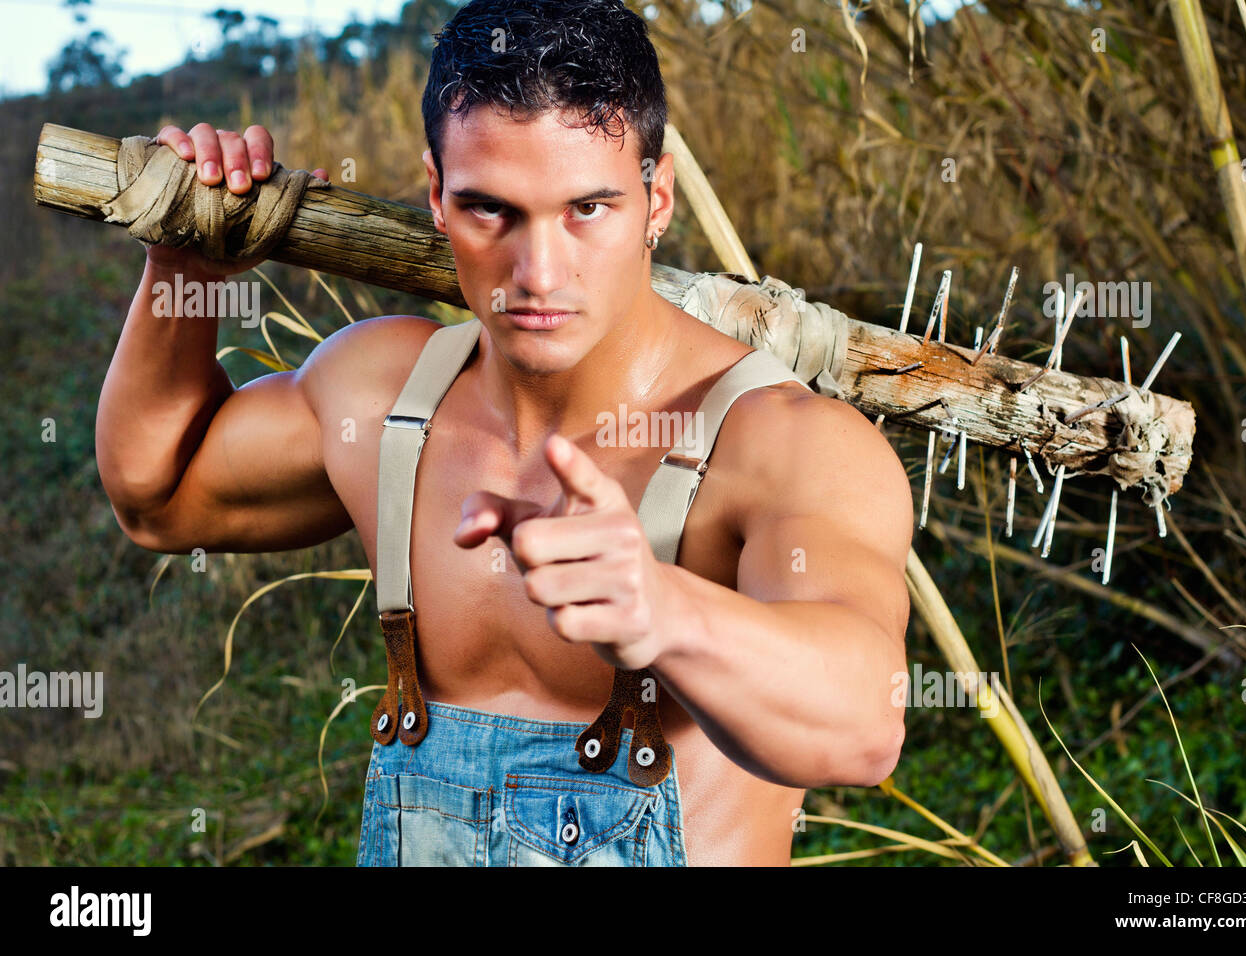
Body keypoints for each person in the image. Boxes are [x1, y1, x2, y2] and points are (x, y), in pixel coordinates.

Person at [95, 0, 912, 866]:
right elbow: (161, 499)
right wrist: (183, 270)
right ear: (437, 198)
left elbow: (862, 729)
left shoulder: (782, 445)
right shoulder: (381, 397)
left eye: (588, 208)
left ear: (656, 197)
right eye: (492, 210)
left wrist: (663, 608)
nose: (539, 274)